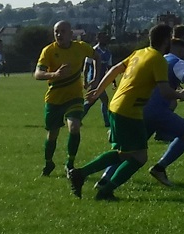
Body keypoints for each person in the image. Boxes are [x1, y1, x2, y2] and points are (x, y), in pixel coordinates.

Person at [71, 23, 177, 200]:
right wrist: (180, 94)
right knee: (139, 157)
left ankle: (89, 180)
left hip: (117, 105)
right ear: (167, 40)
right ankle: (96, 184)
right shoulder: (158, 59)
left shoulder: (140, 52)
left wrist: (98, 90)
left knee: (125, 153)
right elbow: (166, 91)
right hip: (129, 110)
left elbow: (115, 69)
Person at [139, 25, 184, 186]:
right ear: (179, 49)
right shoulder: (178, 62)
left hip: (140, 107)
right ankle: (160, 167)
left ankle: (104, 179)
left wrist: (180, 94)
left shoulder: (157, 59)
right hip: (158, 111)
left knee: (130, 150)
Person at [34, 20, 95, 176]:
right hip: (54, 99)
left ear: (71, 34)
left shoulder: (81, 48)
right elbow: (37, 74)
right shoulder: (48, 51)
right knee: (52, 134)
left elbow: (97, 57)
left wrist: (96, 78)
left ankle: (70, 164)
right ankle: (49, 163)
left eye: (62, 31)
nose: (59, 35)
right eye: (56, 32)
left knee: (74, 127)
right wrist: (54, 74)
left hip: (74, 97)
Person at [85, 28, 114, 125]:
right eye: (103, 38)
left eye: (106, 38)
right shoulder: (93, 50)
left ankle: (78, 117)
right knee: (102, 99)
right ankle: (107, 122)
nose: (105, 39)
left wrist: (113, 81)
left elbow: (110, 68)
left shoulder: (108, 52)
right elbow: (86, 66)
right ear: (98, 39)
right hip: (94, 80)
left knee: (93, 100)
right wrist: (86, 80)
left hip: (102, 79)